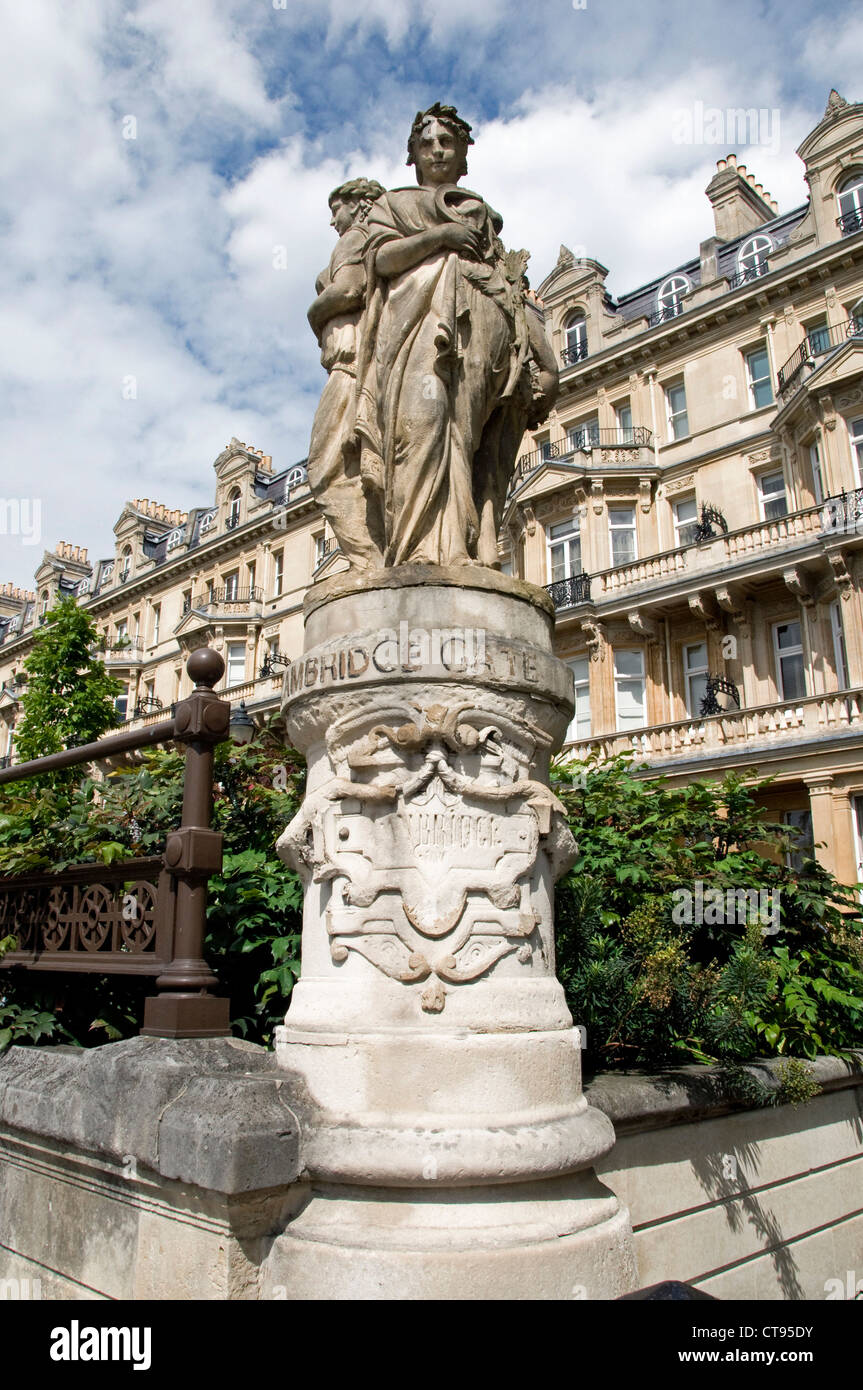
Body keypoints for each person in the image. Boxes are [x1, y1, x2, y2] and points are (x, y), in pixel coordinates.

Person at [352, 103, 558, 568]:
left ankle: (457, 549)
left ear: (465, 155)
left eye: (448, 142)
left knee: (464, 437)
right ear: (412, 154)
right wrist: (439, 238)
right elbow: (381, 261)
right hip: (413, 332)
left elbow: (506, 286)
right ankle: (417, 551)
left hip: (474, 338)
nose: (437, 150)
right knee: (420, 427)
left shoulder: (480, 215)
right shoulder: (394, 204)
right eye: (426, 144)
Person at [306, 177, 386, 569]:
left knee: (324, 470)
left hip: (349, 367)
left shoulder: (354, 238)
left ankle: (368, 561)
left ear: (357, 204)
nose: (332, 220)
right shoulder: (381, 240)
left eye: (335, 208)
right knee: (362, 466)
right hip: (373, 369)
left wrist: (314, 311)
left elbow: (350, 289)